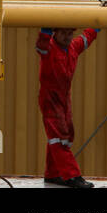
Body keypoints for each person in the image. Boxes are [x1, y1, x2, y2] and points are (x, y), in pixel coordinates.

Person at [37, 26, 97, 188]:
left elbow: (86, 38)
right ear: (55, 33)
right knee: (59, 136)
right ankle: (72, 176)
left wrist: (97, 24)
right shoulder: (49, 47)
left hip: (64, 98)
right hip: (50, 97)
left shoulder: (73, 47)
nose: (67, 36)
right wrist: (45, 31)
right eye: (63, 33)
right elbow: (41, 46)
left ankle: (53, 174)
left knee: (66, 135)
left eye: (70, 33)